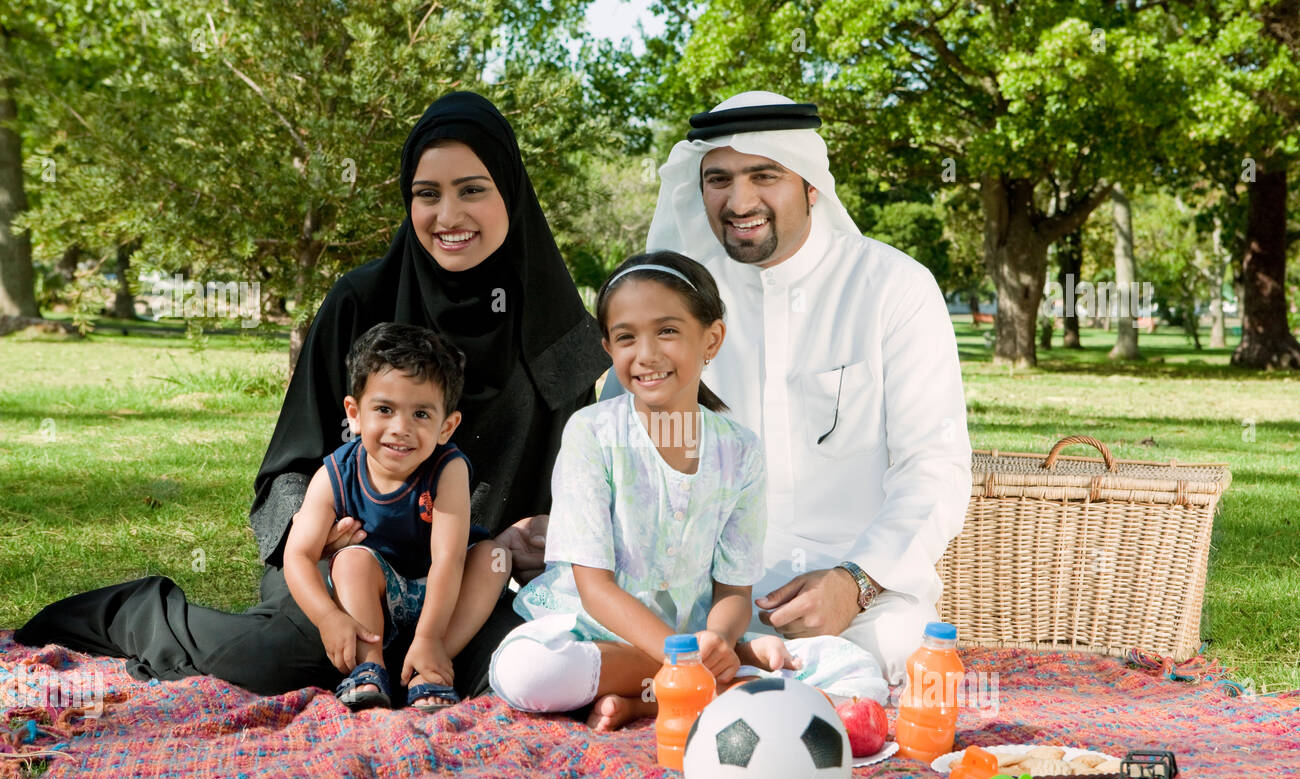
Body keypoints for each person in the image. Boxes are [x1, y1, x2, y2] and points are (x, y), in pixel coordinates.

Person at [15, 92, 609, 705]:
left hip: (475, 585)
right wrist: (314, 528)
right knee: (279, 662)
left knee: (522, 675)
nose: (447, 214)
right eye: (427, 193)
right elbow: (287, 467)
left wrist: (536, 535)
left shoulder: (553, 326)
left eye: (472, 189)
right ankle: (136, 613)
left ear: (510, 192)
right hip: (344, 560)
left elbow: (584, 484)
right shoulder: (360, 300)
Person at [603, 91, 972, 699]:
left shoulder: (894, 289)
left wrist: (856, 582)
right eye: (718, 179)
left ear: (810, 186)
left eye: (764, 175)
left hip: (859, 603)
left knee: (893, 657)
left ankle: (687, 693)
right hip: (700, 598)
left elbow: (933, 467)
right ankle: (703, 682)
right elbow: (618, 454)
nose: (739, 201)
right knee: (569, 649)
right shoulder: (672, 307)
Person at [489, 252, 888, 725]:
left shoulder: (740, 451)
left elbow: (734, 590)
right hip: (594, 633)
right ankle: (719, 682)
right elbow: (594, 590)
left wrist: (717, 638)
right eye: (626, 337)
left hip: (698, 635)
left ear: (712, 339)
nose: (647, 353)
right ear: (608, 349)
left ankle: (659, 696)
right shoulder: (592, 433)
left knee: (861, 671)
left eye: (667, 331)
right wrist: (689, 659)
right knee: (526, 672)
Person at [284, 323, 510, 712]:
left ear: (447, 426)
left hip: (445, 596)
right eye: (384, 410)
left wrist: (431, 634)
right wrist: (326, 618)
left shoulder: (448, 469)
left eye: (421, 413)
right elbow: (298, 556)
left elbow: (449, 559)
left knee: (494, 557)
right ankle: (370, 669)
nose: (400, 429)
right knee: (351, 559)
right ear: (354, 414)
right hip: (377, 599)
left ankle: (431, 664)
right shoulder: (335, 474)